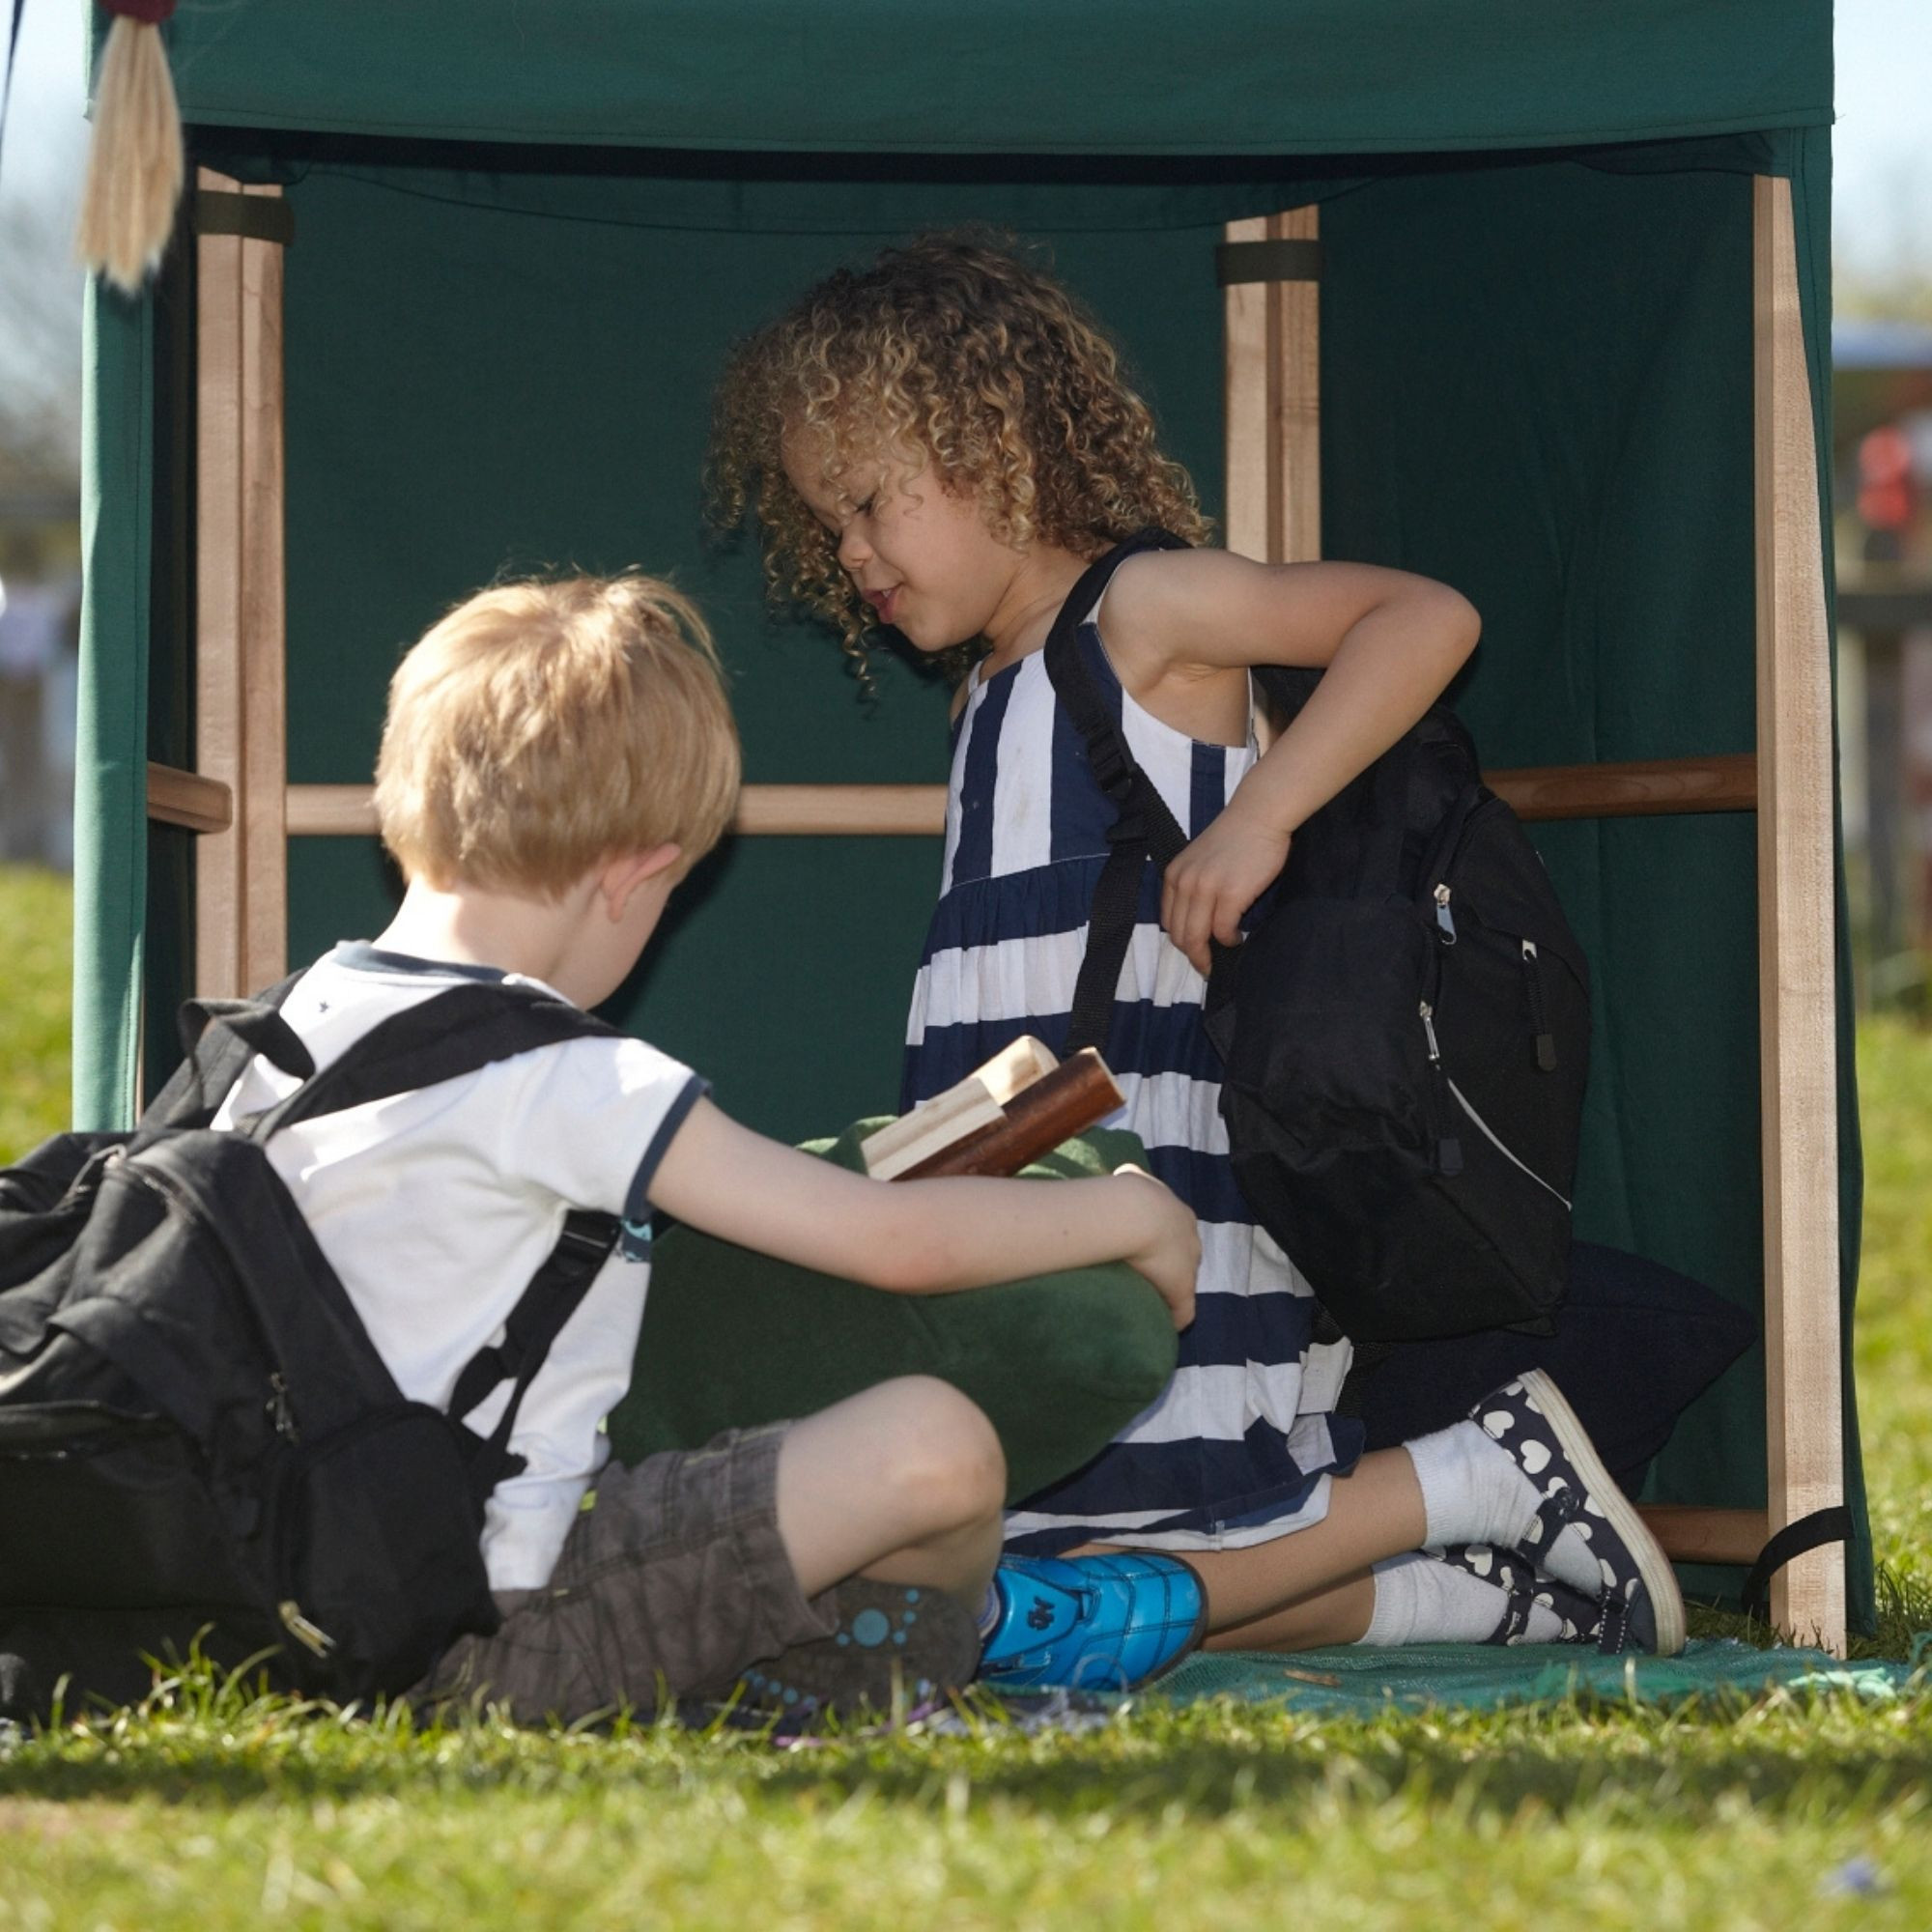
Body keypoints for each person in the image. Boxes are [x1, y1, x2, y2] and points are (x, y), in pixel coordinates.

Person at [710, 235, 1687, 1666]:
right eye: (827, 524)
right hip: (1033, 1179)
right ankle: (1495, 1592)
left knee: (1132, 1552)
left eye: (867, 502)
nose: (850, 552)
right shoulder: (982, 698)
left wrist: (1262, 821)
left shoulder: (1139, 614)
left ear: (993, 447)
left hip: (1155, 1171)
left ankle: (1473, 1473)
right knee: (1077, 1577)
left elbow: (1423, 619)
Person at [209, 572, 1210, 1723]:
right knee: (934, 1445)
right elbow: (891, 1239)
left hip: (268, 1617)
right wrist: (1139, 1213)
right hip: (475, 1640)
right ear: (636, 876)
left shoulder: (269, 1034)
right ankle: (847, 1702)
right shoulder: (567, 1074)